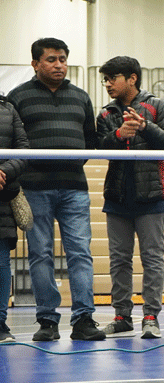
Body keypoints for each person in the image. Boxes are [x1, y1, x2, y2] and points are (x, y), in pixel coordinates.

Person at [7, 37, 104, 341]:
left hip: (74, 187)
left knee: (80, 253)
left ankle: (84, 319)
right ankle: (47, 320)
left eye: (62, 59)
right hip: (34, 188)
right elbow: (13, 141)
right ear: (35, 63)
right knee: (40, 254)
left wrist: (70, 163)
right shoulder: (18, 97)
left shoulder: (81, 97)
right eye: (51, 59)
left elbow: (90, 140)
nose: (59, 65)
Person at [95, 56, 164, 339]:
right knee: (118, 260)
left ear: (132, 78)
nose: (108, 84)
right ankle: (122, 316)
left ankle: (150, 317)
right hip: (117, 196)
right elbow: (99, 148)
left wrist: (146, 127)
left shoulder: (158, 107)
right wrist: (118, 135)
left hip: (152, 195)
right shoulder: (106, 114)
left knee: (152, 258)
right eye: (105, 79)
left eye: (113, 78)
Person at [0, 95, 29, 343]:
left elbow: (23, 151)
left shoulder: (8, 109)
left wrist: (3, 172)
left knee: (1, 265)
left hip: (2, 198)